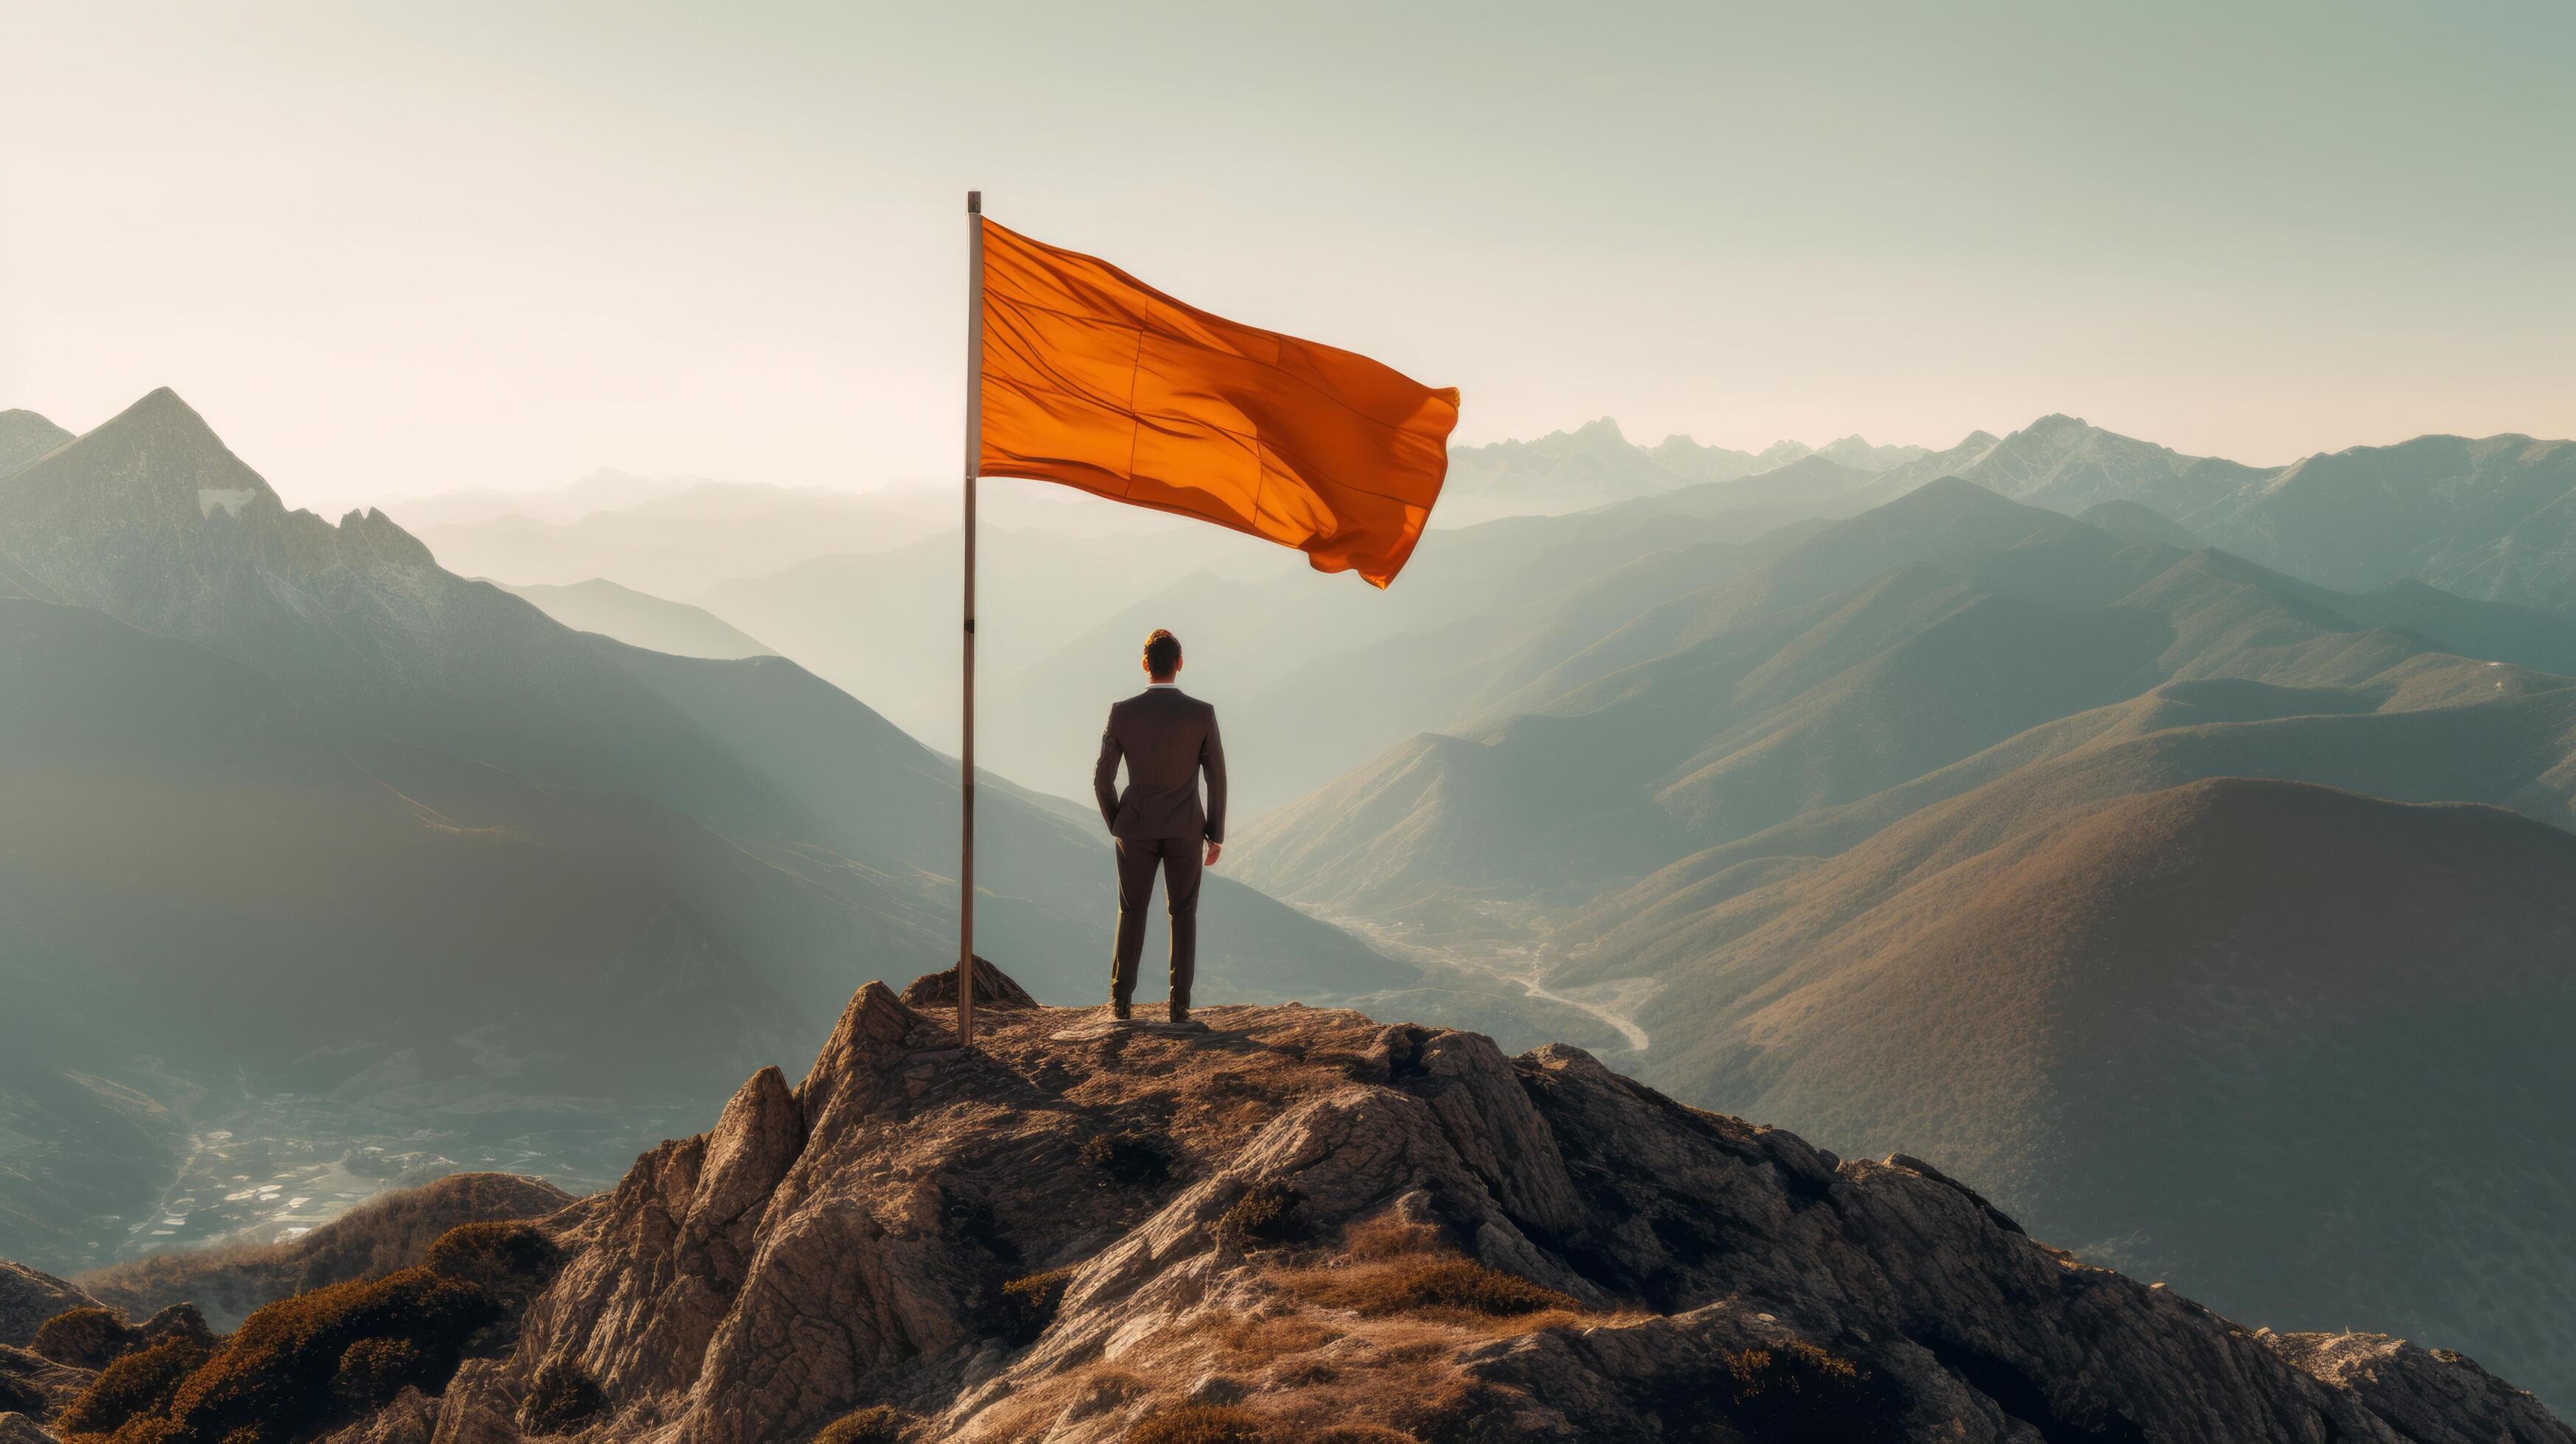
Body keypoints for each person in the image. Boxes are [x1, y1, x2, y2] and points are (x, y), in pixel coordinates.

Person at [1093, 628, 1226, 1024]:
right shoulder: (1202, 714)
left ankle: (1120, 1001)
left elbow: (1103, 779)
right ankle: (1179, 1005)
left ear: (1144, 664)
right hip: (1186, 828)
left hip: (1135, 828)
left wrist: (1118, 821)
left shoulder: (1122, 712)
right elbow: (1216, 777)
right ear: (1180, 663)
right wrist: (1214, 834)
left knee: (1131, 909)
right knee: (1183, 913)